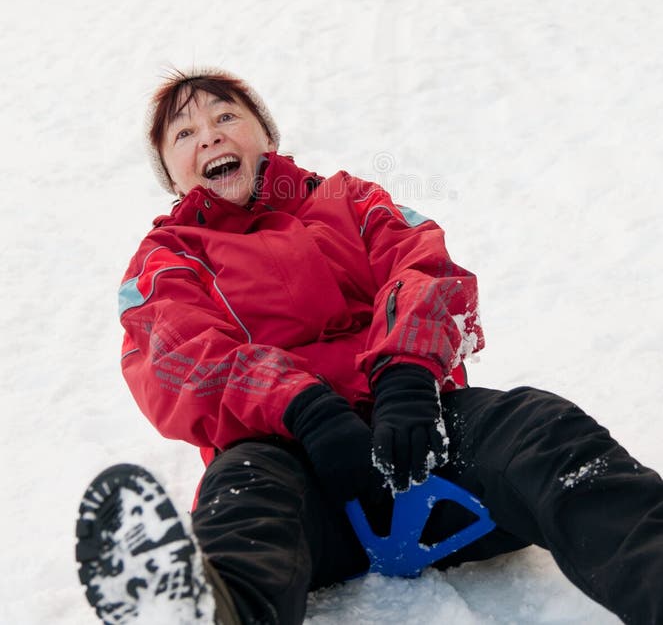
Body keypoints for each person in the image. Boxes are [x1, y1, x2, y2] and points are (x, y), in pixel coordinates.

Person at [76, 68, 663, 625]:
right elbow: (179, 358)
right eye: (185, 134)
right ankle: (216, 609)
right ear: (172, 175)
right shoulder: (166, 258)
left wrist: (406, 375)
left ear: (265, 134)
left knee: (540, 429)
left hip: (414, 438)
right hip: (296, 479)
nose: (210, 137)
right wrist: (301, 406)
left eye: (226, 116)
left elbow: (425, 268)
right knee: (245, 500)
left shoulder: (349, 199)